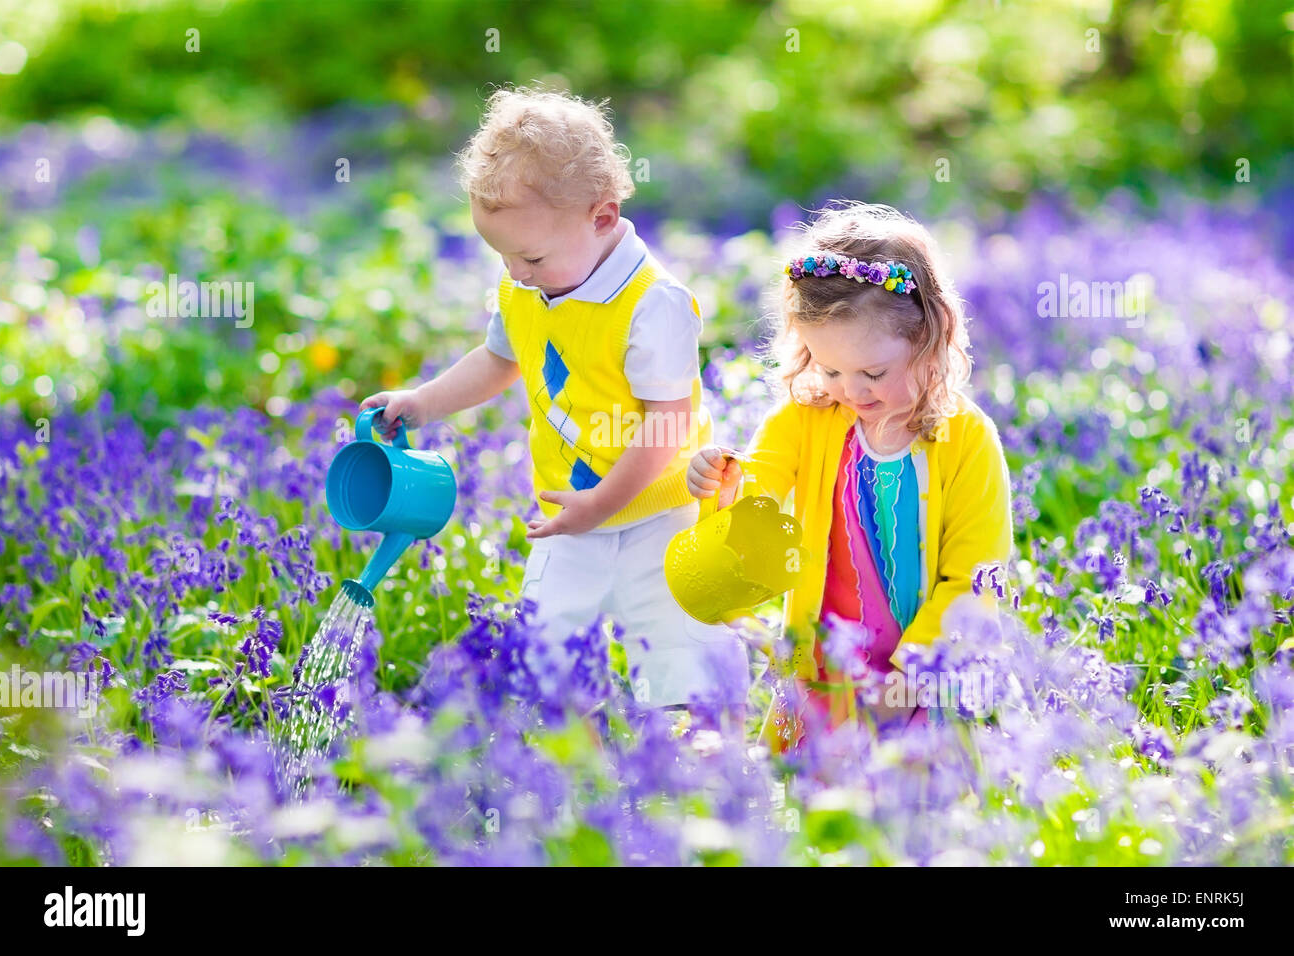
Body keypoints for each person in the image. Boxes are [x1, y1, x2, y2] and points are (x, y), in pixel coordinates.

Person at [360, 87, 749, 718]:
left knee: (679, 649)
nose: (515, 272)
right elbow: (497, 359)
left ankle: (699, 766)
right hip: (569, 510)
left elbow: (667, 427)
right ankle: (572, 773)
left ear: (601, 216)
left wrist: (603, 503)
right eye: (503, 256)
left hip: (662, 509)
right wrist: (424, 402)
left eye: (530, 256)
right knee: (547, 648)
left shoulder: (653, 304)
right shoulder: (526, 288)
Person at [686, 201, 1013, 752]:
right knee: (813, 812)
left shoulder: (968, 441)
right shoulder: (806, 421)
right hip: (823, 674)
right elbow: (754, 502)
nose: (851, 390)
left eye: (874, 372)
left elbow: (975, 578)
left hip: (925, 682)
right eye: (830, 368)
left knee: (919, 813)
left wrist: (913, 677)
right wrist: (722, 482)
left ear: (928, 338)